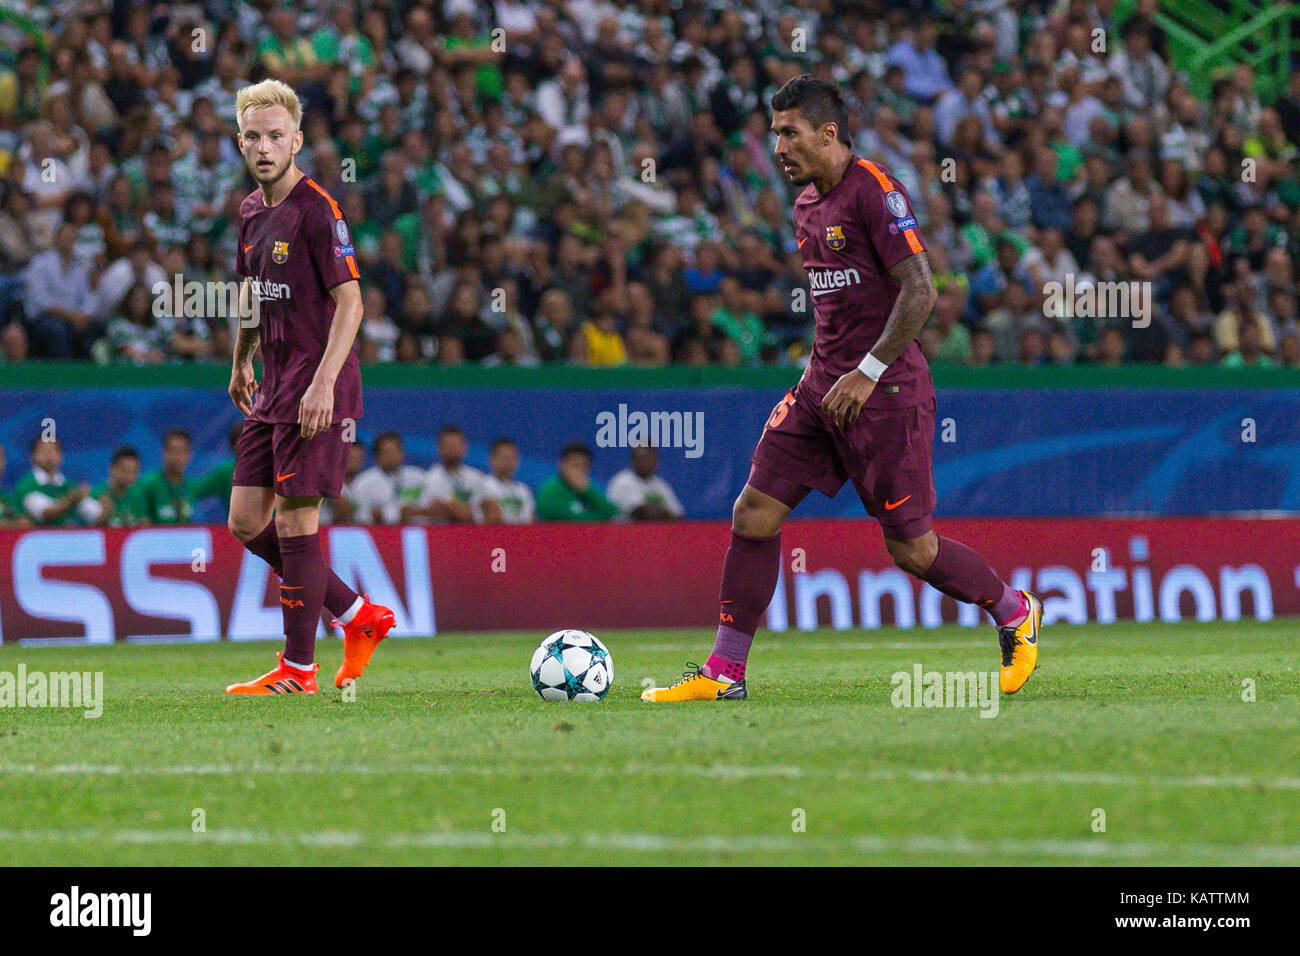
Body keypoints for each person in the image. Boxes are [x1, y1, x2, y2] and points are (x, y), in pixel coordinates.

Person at [643, 76, 1042, 702]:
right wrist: (824, 368)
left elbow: (921, 290)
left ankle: (1014, 609)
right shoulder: (806, 204)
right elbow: (837, 306)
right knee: (753, 513)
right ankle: (725, 673)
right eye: (774, 134)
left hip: (884, 394)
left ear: (828, 133)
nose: (777, 146)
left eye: (788, 133)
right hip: (821, 391)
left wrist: (868, 369)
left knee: (912, 549)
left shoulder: (876, 192)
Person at [221, 79, 393, 697]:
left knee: (297, 527)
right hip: (272, 390)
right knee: (245, 520)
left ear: (296, 141)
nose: (264, 147)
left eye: (275, 137)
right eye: (253, 137)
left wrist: (322, 384)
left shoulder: (319, 210)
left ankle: (298, 670)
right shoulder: (249, 212)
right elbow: (250, 291)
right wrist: (243, 356)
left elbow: (352, 304)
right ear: (240, 143)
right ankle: (356, 615)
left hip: (319, 390)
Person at [14, 435, 102, 527]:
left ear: (61, 455)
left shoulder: (68, 484)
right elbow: (45, 513)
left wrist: (105, 511)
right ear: (32, 456)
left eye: (53, 450)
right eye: (43, 451)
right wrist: (71, 501)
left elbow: (94, 515)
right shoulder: (26, 484)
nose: (49, 455)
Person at [349, 431, 427, 524]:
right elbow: (360, 516)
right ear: (377, 456)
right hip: (380, 532)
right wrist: (386, 515)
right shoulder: (364, 482)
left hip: (416, 531)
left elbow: (433, 507)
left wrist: (415, 512)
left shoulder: (418, 476)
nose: (392, 456)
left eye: (395, 451)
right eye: (387, 452)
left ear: (402, 452)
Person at [535, 442, 619, 522]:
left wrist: (587, 490)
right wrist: (598, 518)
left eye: (584, 466)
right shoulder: (550, 489)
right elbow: (569, 519)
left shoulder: (588, 488)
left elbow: (611, 513)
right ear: (562, 464)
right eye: (575, 465)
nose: (579, 470)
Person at [130, 429, 196, 524]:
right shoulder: (147, 484)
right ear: (164, 452)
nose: (177, 456)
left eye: (182, 451)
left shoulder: (192, 486)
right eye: (173, 451)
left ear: (189, 454)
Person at [606, 445, 684, 521]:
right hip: (626, 532)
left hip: (657, 532)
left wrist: (665, 514)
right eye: (640, 459)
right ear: (633, 460)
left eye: (648, 459)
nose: (643, 463)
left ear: (656, 461)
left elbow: (678, 514)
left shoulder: (659, 484)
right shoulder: (622, 481)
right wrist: (665, 513)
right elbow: (641, 513)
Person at [479, 437, 535, 524]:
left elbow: (530, 520)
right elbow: (493, 518)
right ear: (492, 459)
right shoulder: (483, 485)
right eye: (503, 457)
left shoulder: (524, 490)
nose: (507, 461)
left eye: (511, 457)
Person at [90, 446, 141, 527]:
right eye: (124, 470)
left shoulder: (139, 496)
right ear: (112, 468)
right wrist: (103, 518)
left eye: (133, 472)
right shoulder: (95, 495)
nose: (128, 476)